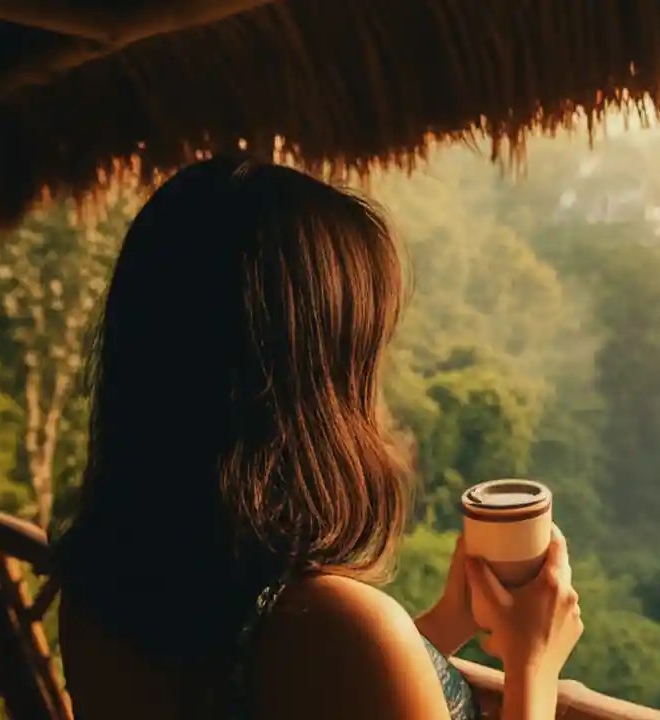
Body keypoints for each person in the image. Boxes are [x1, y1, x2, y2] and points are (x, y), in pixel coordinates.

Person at [53, 156, 583, 719]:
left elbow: (302, 690)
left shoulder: (103, 592)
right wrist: (533, 664)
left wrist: (444, 626)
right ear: (311, 382)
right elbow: (333, 668)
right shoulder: (338, 630)